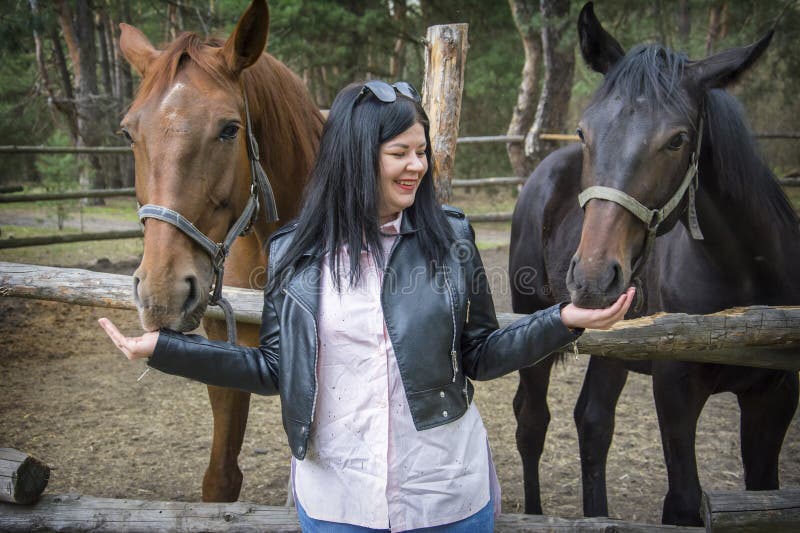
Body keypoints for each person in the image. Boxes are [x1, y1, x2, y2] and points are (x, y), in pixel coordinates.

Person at [99, 80, 634, 532]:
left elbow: (480, 352)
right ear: (356, 156)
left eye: (421, 151)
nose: (416, 166)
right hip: (337, 504)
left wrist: (563, 321)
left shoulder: (451, 237)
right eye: (399, 152)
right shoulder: (294, 251)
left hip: (446, 498)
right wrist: (165, 349)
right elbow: (271, 369)